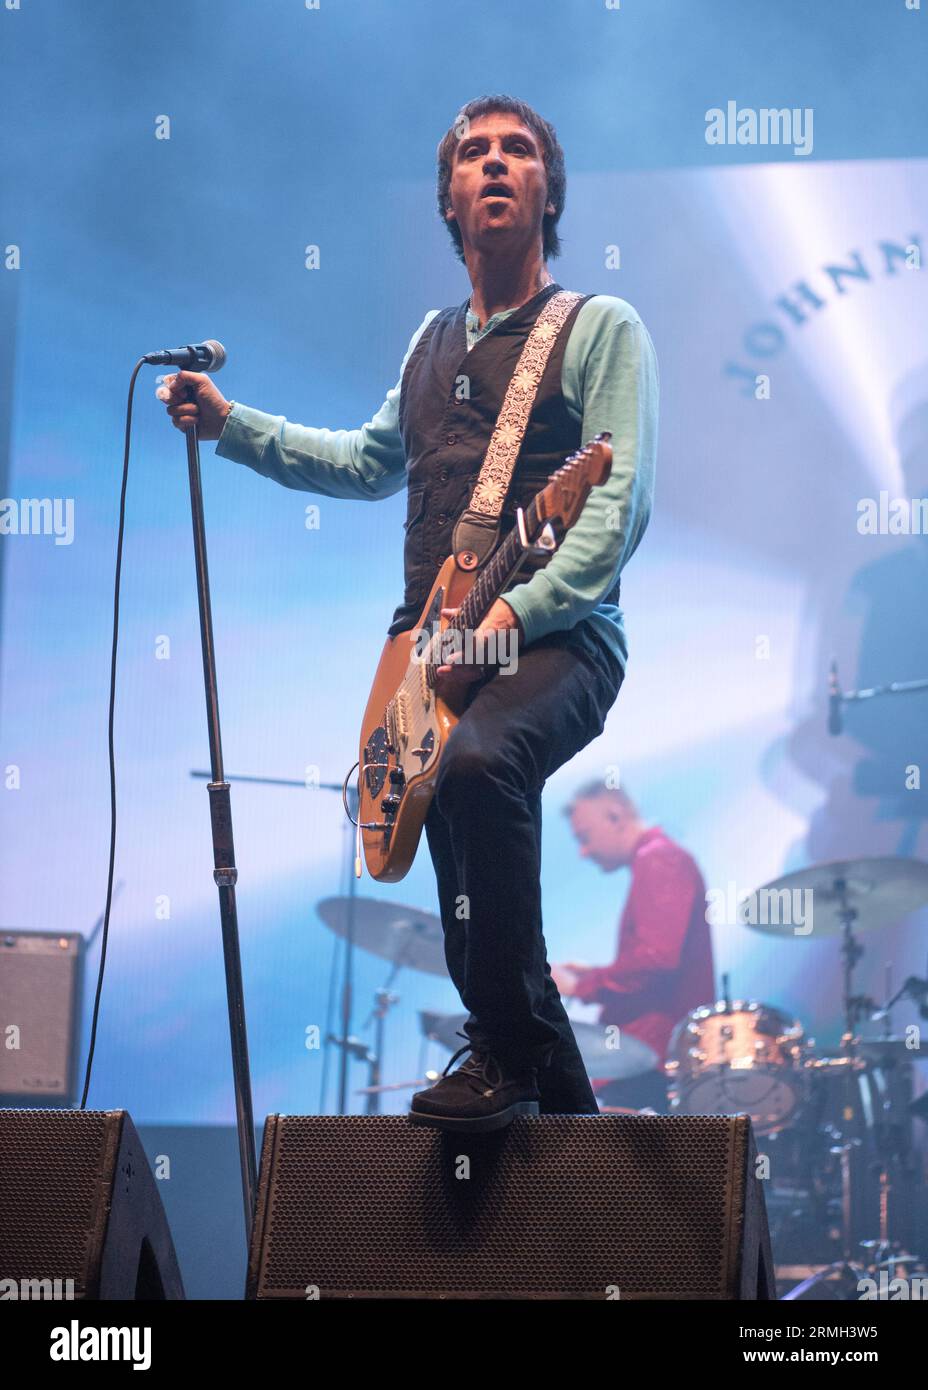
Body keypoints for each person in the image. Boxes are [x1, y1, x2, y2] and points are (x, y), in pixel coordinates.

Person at [159, 94, 659, 1132]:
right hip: (425, 656)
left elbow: (612, 504)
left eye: (517, 152)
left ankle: (498, 1052)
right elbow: (364, 460)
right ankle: (571, 1133)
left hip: (557, 639)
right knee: (470, 868)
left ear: (546, 191)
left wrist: (512, 616)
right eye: (472, 153)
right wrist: (231, 424)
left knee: (478, 764)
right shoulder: (430, 345)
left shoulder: (598, 328)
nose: (494, 165)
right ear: (446, 198)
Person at [553, 784, 715, 1112]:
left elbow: (656, 959)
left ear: (615, 815)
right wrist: (596, 974)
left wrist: (580, 985)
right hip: (647, 1057)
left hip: (649, 1056)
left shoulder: (659, 858)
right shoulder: (657, 858)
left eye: (584, 837)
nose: (583, 851)